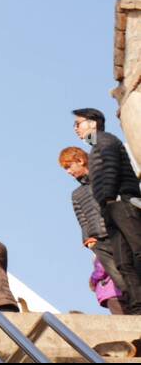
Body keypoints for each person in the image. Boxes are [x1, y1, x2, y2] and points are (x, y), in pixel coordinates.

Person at [73, 107, 141, 315]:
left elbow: (110, 169)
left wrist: (108, 197)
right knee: (123, 262)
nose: (76, 128)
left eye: (79, 123)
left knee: (137, 251)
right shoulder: (96, 146)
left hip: (121, 203)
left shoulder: (105, 140)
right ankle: (137, 307)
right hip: (110, 208)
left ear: (93, 123)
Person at [59, 145, 130, 309]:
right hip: (99, 242)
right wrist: (89, 241)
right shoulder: (76, 194)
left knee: (130, 272)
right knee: (118, 278)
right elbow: (82, 219)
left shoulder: (106, 179)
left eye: (68, 167)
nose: (68, 172)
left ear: (80, 160)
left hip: (119, 234)